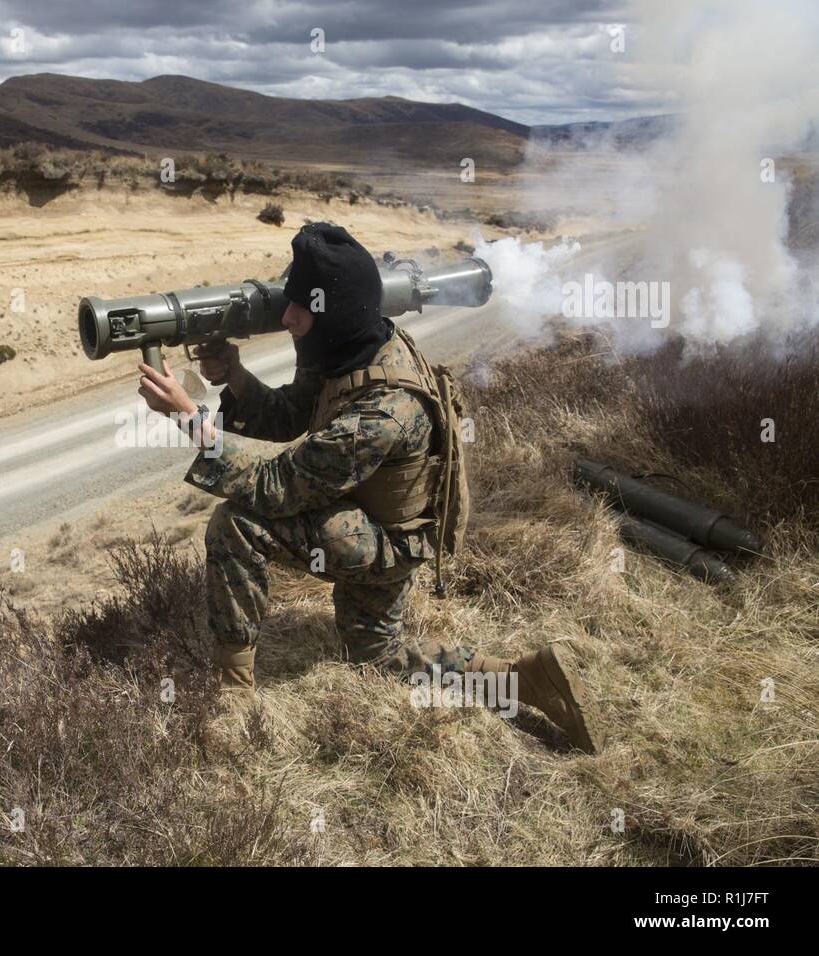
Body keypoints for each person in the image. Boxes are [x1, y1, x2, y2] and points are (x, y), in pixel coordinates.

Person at [137, 222, 603, 753]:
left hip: (383, 543)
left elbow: (276, 486)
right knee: (377, 657)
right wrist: (237, 377)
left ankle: (233, 692)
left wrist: (188, 416)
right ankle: (525, 679)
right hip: (382, 522)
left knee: (237, 525)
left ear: (330, 314)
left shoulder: (382, 408)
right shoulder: (356, 345)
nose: (286, 318)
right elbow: (293, 413)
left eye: (299, 309)